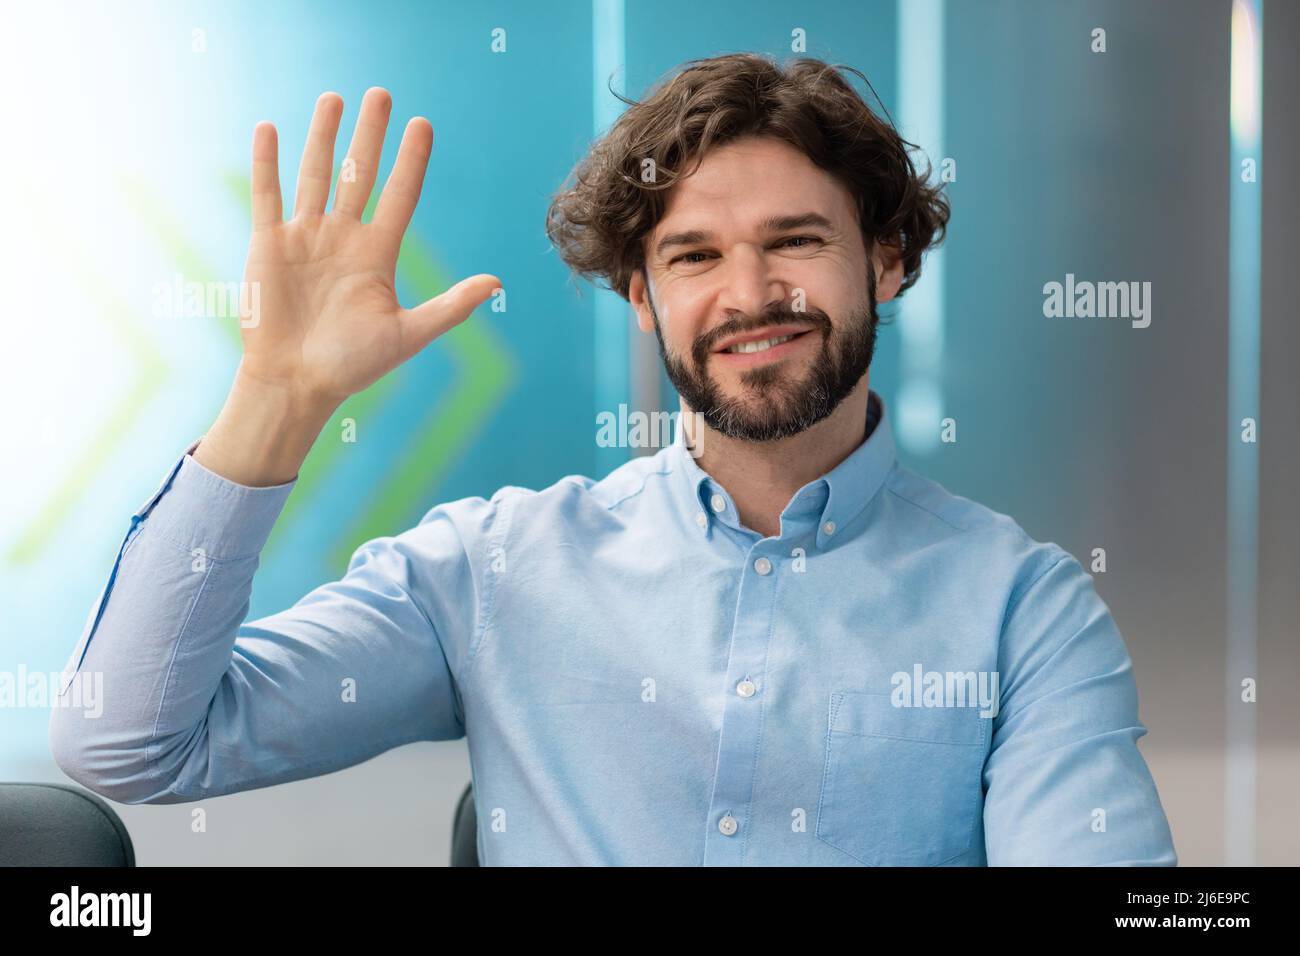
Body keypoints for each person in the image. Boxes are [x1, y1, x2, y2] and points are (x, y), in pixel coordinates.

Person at [49, 53, 1176, 865]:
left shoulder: (1023, 611)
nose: (748, 295)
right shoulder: (493, 569)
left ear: (883, 260)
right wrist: (277, 398)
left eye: (795, 239)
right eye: (693, 255)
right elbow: (130, 741)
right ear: (641, 297)